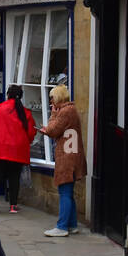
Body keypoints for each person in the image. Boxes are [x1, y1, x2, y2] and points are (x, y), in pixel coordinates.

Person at [0, 83, 36, 213]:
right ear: (20, 97)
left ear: (7, 95)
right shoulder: (25, 112)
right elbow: (31, 132)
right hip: (16, 150)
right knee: (14, 177)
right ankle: (13, 206)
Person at [40, 84, 87, 237]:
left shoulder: (65, 112)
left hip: (67, 158)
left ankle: (61, 227)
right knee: (68, 192)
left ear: (58, 97)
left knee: (65, 192)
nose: (51, 102)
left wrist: (53, 116)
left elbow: (53, 130)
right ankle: (72, 225)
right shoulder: (70, 110)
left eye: (52, 98)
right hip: (71, 156)